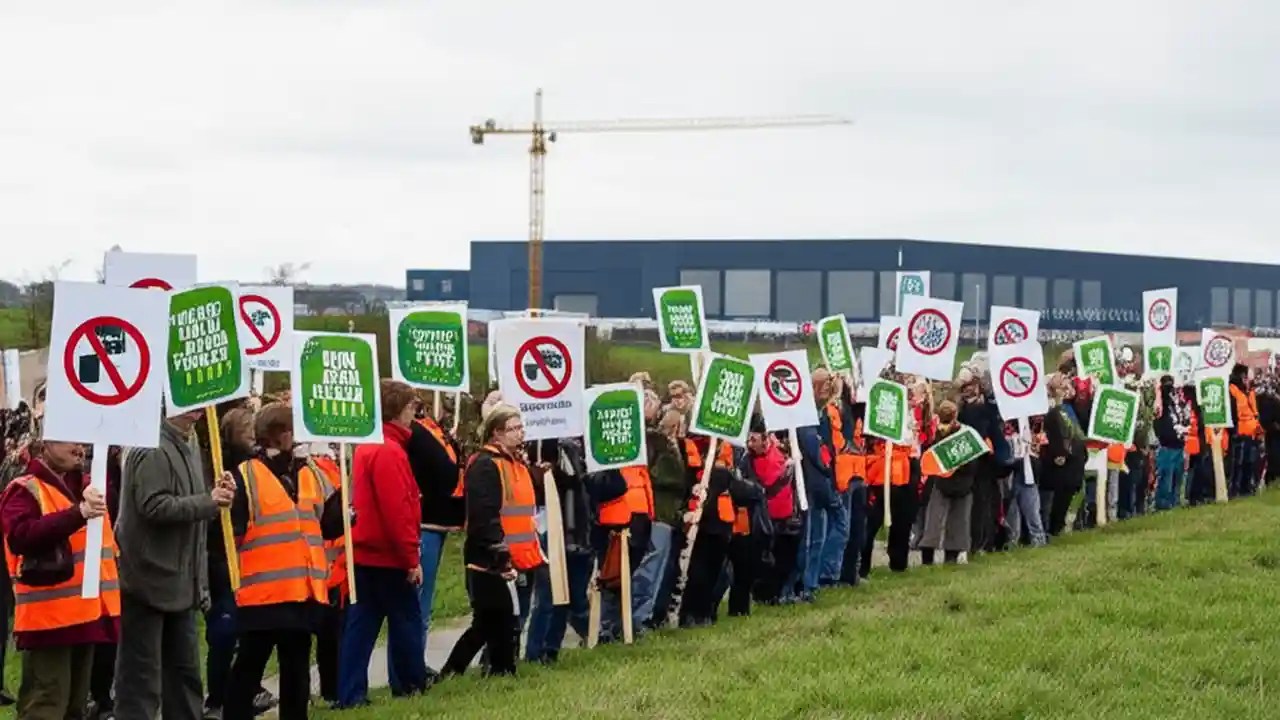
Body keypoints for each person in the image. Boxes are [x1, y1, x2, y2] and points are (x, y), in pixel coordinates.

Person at [223, 403, 347, 720]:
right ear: (284, 434)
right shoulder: (244, 477)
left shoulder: (309, 473)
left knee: (296, 673)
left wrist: (348, 502)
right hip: (262, 594)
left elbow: (328, 525)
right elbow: (230, 535)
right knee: (249, 669)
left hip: (302, 592)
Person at [114, 411, 237, 720]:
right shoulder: (150, 445)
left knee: (184, 675)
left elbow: (191, 497)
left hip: (182, 581)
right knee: (142, 679)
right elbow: (152, 505)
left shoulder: (189, 441)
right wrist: (208, 502)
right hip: (146, 580)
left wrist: (217, 491)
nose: (198, 406)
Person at [0, 437, 120, 720]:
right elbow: (21, 537)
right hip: (49, 620)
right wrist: (78, 514)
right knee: (45, 705)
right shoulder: (24, 489)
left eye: (82, 441)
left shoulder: (91, 486)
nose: (80, 448)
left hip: (87, 616)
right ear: (45, 446)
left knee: (74, 708)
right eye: (69, 441)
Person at [337, 381, 429, 708]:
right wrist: (410, 559)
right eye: (409, 409)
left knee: (360, 628)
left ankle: (349, 693)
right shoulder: (390, 451)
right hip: (388, 556)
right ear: (396, 410)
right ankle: (410, 684)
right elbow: (397, 509)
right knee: (406, 621)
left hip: (365, 554)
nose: (412, 417)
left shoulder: (367, 447)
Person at [442, 404, 544, 677]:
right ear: (496, 433)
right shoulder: (486, 465)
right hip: (489, 557)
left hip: (516, 554)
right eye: (513, 429)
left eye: (521, 427)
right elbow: (483, 513)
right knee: (490, 620)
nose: (520, 433)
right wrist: (498, 551)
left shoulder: (516, 464)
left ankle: (497, 670)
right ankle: (464, 670)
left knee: (501, 620)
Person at [204, 407, 276, 720]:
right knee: (224, 628)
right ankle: (218, 695)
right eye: (247, 433)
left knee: (245, 629)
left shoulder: (254, 465)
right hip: (221, 554)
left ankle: (246, 688)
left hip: (245, 553)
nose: (252, 439)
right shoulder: (222, 466)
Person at [392, 402, 464, 685]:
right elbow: (439, 471)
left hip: (439, 521)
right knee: (416, 604)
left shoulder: (433, 430)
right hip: (425, 524)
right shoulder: (415, 435)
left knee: (423, 603)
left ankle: (414, 665)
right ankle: (409, 672)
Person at [742, 423, 801, 604]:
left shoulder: (779, 453)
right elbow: (766, 484)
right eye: (749, 439)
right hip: (765, 517)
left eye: (754, 439)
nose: (750, 444)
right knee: (765, 561)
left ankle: (777, 594)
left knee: (784, 559)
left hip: (785, 515)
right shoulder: (749, 461)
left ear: (765, 439)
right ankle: (764, 595)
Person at [919, 402, 975, 565]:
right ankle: (950, 558)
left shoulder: (935, 434)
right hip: (958, 482)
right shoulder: (965, 434)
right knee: (956, 521)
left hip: (945, 481)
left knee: (934, 521)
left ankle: (928, 558)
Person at [1040, 375, 1086, 536]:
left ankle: (1063, 525)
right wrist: (1059, 453)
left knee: (1073, 490)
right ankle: (1053, 529)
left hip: (1076, 457)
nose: (1066, 391)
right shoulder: (1050, 410)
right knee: (1057, 497)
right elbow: (1054, 433)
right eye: (1062, 387)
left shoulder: (1069, 408)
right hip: (1060, 461)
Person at [1153, 376, 1188, 511]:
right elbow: (1157, 415)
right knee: (1165, 479)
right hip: (1166, 445)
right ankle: (1162, 505)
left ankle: (1175, 502)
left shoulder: (1176, 401)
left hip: (1179, 444)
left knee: (1177, 478)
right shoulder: (1160, 402)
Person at [1227, 364, 1262, 497]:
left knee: (1249, 463)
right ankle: (1235, 490)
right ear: (1242, 376)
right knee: (1238, 464)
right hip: (1240, 434)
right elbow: (1233, 413)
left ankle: (1246, 488)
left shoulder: (1247, 391)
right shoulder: (1233, 391)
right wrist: (1234, 431)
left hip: (1251, 433)